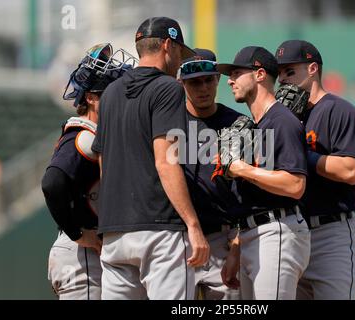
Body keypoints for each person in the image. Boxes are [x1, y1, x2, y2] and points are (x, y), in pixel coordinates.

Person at [91, 17, 209, 300]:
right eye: (181, 51)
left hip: (115, 233)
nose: (181, 59)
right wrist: (193, 224)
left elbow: (103, 163)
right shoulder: (168, 88)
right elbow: (166, 161)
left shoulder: (110, 93)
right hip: (159, 232)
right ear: (168, 45)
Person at [275, 39, 355, 300]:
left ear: (313, 68)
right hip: (294, 232)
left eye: (290, 71)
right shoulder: (284, 117)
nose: (282, 79)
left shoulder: (338, 110)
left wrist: (300, 155)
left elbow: (350, 171)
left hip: (332, 234)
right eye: (279, 72)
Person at [41, 43, 135, 299]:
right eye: (110, 92)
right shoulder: (83, 135)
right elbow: (52, 183)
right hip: (81, 257)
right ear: (91, 97)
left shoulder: (99, 133)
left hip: (88, 256)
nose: (118, 98)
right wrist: (79, 234)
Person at [217, 46, 310, 300]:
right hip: (254, 233)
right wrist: (237, 246)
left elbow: (295, 185)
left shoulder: (282, 120)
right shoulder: (259, 124)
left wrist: (243, 169)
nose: (230, 81)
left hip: (277, 230)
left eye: (236, 73)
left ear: (259, 75)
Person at [179, 48, 242, 300]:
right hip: (176, 240)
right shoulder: (166, 122)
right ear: (182, 82)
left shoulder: (237, 123)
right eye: (194, 81)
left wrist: (238, 243)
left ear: (217, 79)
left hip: (223, 239)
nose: (203, 88)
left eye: (208, 79)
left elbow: (247, 189)